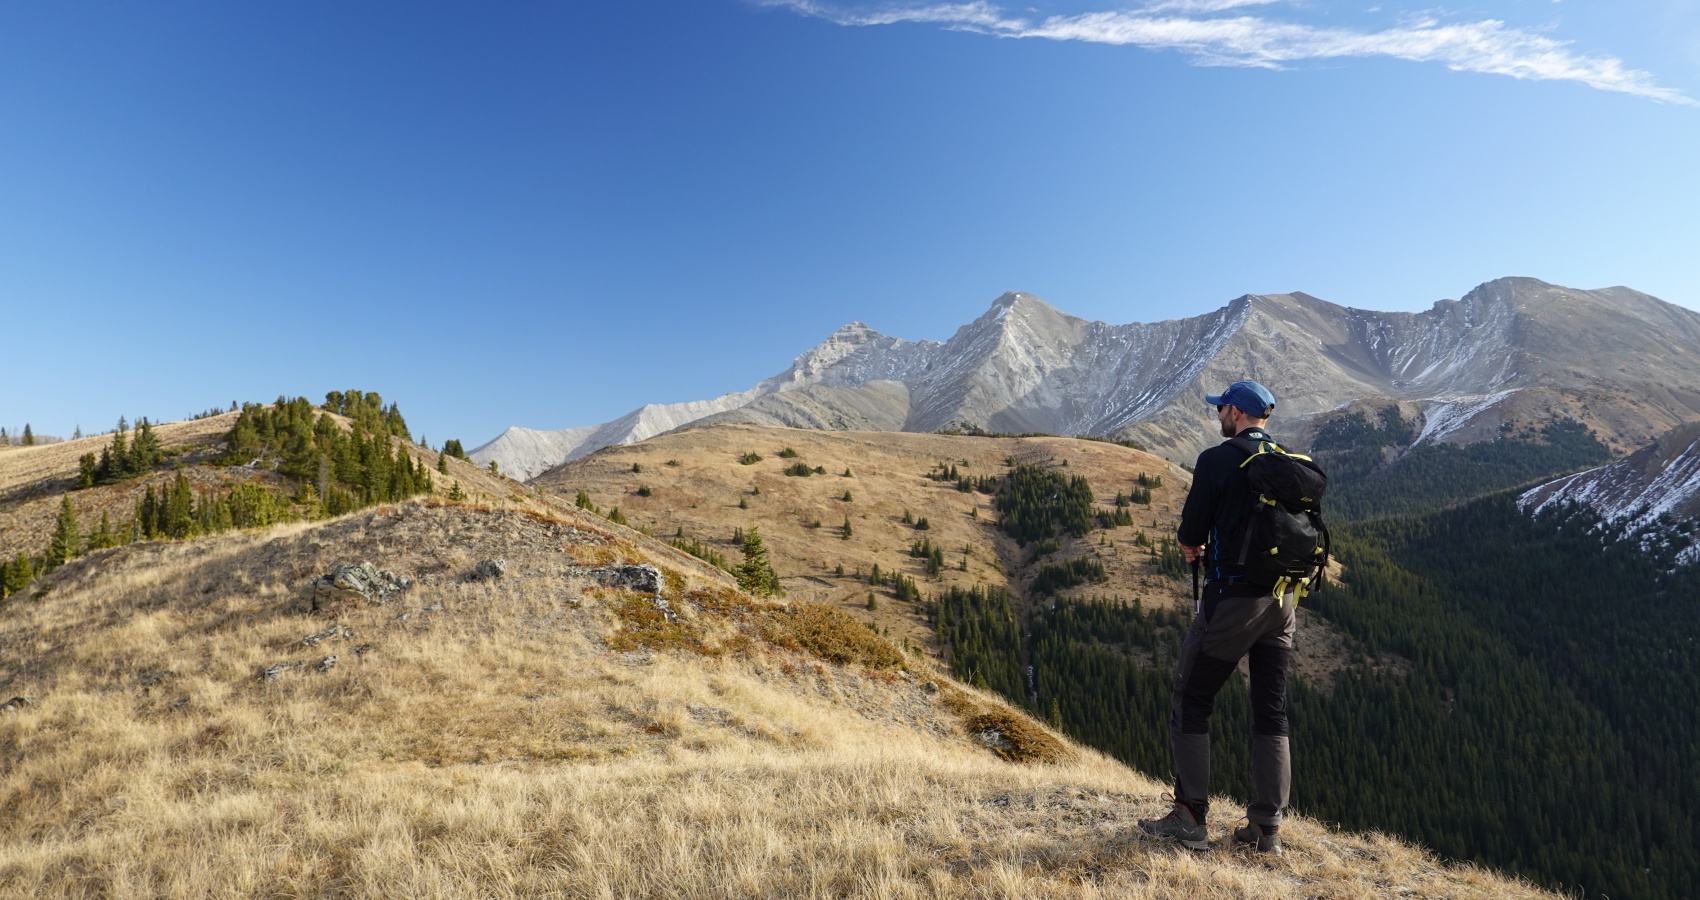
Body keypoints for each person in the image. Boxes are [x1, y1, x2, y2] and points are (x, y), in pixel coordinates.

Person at [1138, 380, 1293, 855]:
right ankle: (1266, 829)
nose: (1217, 416)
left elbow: (1190, 530)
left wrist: (1193, 546)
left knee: (1192, 697)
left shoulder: (1217, 459)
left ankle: (1189, 817)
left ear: (1236, 412)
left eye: (1220, 409)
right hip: (1284, 602)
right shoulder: (1286, 462)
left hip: (1232, 601)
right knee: (1271, 711)